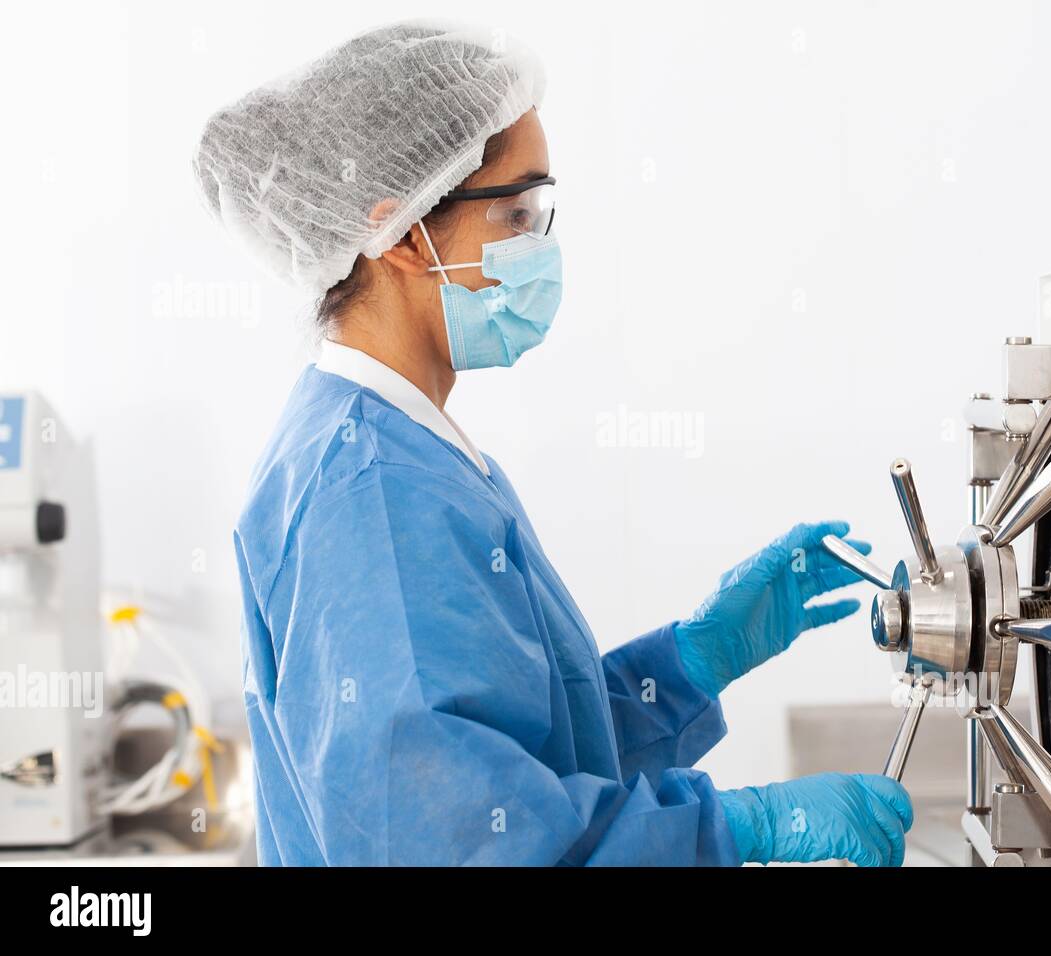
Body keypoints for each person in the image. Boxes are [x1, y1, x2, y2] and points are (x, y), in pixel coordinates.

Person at [194, 20, 912, 866]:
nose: (542, 244)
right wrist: (743, 825)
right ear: (396, 232)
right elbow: (466, 841)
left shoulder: (411, 451)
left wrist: (694, 657)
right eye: (516, 210)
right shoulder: (371, 496)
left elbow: (519, 759)